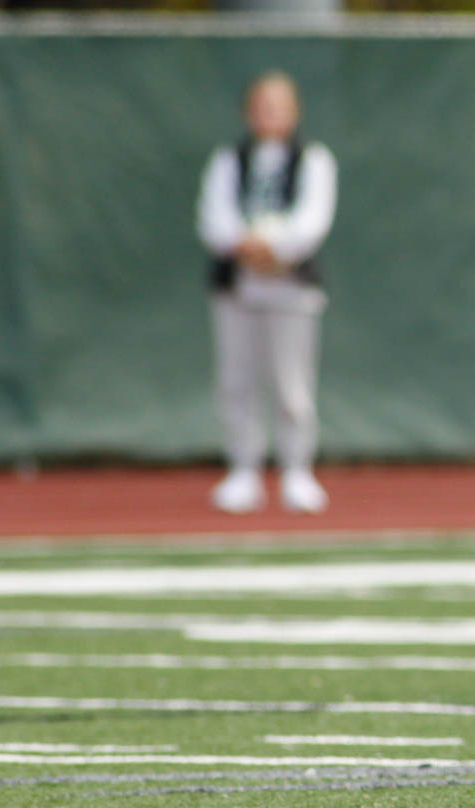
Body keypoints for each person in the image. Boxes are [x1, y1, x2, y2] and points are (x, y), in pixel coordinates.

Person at [196, 70, 337, 514]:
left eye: (279, 106)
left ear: (295, 112)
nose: (270, 115)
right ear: (247, 112)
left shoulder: (314, 159)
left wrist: (276, 248)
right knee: (236, 381)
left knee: (291, 384)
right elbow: (213, 219)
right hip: (237, 288)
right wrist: (243, 246)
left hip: (291, 289)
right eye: (261, 106)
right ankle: (244, 470)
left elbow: (313, 220)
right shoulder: (227, 159)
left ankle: (297, 470)